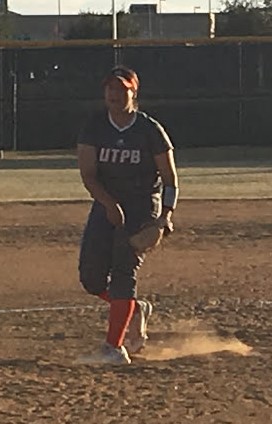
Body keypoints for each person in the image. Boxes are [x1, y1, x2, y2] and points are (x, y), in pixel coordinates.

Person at [76, 65, 179, 364]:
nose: (115, 94)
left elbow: (170, 179)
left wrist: (165, 217)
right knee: (92, 278)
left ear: (134, 93)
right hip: (106, 203)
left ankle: (114, 348)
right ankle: (134, 310)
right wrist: (109, 204)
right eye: (110, 88)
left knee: (123, 270)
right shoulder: (95, 126)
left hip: (142, 206)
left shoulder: (149, 130)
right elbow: (88, 175)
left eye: (122, 89)